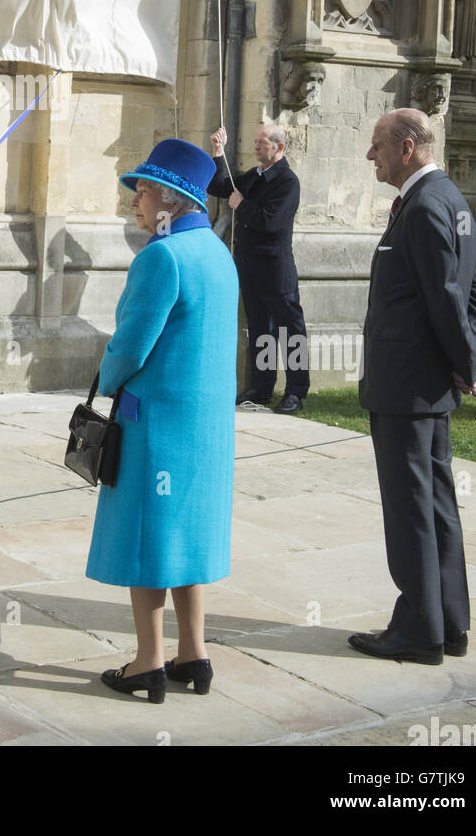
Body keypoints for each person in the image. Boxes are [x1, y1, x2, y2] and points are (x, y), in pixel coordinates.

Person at [86, 140, 238, 703]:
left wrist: (105, 378)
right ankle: (192, 653)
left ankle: (148, 662)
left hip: (156, 424)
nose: (134, 202)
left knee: (149, 539)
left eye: (142, 190)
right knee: (187, 537)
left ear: (172, 198)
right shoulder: (217, 251)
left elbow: (130, 346)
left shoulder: (161, 255)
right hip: (205, 430)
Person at [349, 109, 476, 665]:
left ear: (407, 147)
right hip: (424, 384)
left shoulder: (425, 206)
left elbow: (449, 297)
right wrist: (471, 360)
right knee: (436, 503)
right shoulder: (449, 199)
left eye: (378, 146)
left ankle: (418, 630)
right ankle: (449, 623)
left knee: (413, 507)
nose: (372, 156)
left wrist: (466, 362)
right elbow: (473, 295)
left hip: (407, 388)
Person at [207, 124, 309, 413]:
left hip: (276, 268)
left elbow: (271, 221)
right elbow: (218, 186)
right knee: (261, 330)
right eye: (256, 142)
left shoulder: (288, 182)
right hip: (249, 266)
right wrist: (218, 153)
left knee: (291, 331)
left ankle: (296, 391)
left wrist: (242, 206)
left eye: (262, 142)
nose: (256, 147)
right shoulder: (254, 177)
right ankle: (262, 388)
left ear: (279, 147)